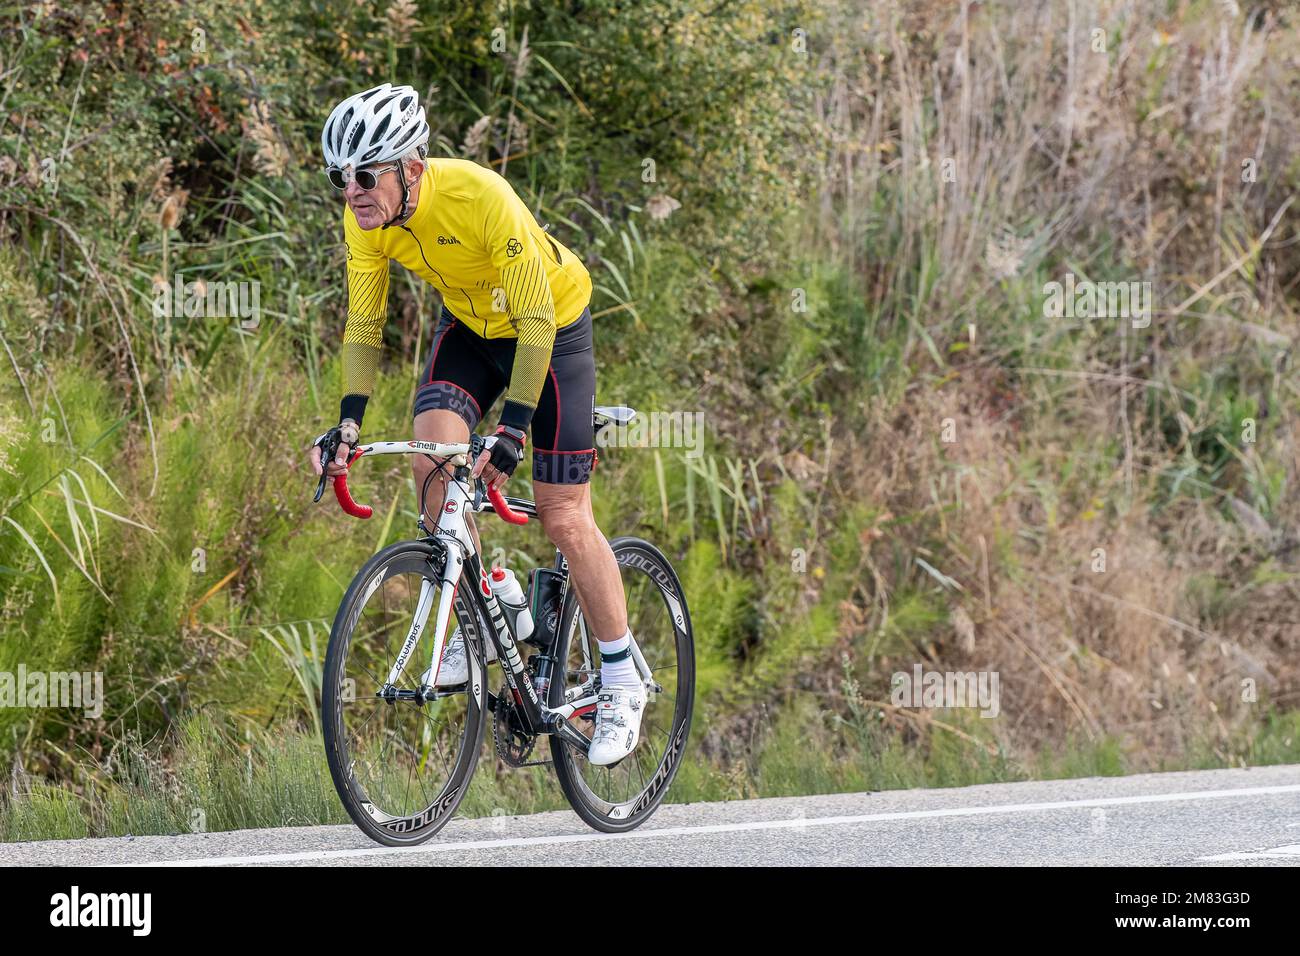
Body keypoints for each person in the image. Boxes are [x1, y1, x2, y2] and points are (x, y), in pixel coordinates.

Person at [306, 83, 642, 765]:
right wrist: (346, 422)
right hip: (470, 330)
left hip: (549, 327)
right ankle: (491, 608)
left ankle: (621, 675)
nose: (352, 190)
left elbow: (537, 320)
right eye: (339, 177)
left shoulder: (479, 196)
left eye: (365, 174)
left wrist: (514, 430)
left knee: (563, 515)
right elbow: (366, 323)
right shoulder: (365, 220)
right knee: (432, 459)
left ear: (410, 167)